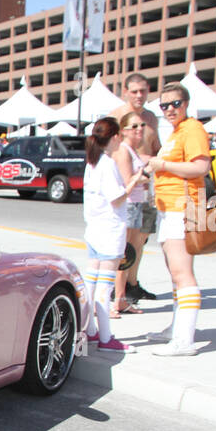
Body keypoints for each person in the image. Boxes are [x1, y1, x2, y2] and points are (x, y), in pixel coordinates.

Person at [146, 83, 212, 356]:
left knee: (182, 273)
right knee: (175, 273)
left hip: (182, 208)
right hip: (169, 207)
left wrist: (162, 165)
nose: (170, 109)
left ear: (186, 103)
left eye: (175, 103)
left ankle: (184, 339)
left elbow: (201, 166)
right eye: (164, 105)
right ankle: (177, 329)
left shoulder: (193, 129)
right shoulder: (177, 132)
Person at [82, 117, 146, 353]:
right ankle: (106, 338)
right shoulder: (107, 164)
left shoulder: (92, 162)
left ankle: (89, 331)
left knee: (91, 282)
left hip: (94, 229)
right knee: (104, 287)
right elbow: (117, 198)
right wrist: (135, 182)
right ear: (114, 137)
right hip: (109, 230)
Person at [110, 73, 162, 303]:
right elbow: (110, 151)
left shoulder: (152, 118)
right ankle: (116, 288)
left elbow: (157, 147)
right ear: (125, 91)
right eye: (134, 91)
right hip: (128, 188)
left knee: (141, 240)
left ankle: (133, 284)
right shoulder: (116, 116)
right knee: (124, 242)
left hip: (148, 187)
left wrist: (157, 160)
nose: (139, 95)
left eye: (143, 91)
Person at [112, 111, 151, 317]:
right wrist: (145, 176)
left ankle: (122, 298)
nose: (140, 130)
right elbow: (128, 181)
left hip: (136, 205)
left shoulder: (134, 151)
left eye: (142, 125)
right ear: (124, 131)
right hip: (127, 205)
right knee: (124, 255)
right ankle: (117, 299)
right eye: (134, 126)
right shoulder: (124, 151)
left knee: (132, 254)